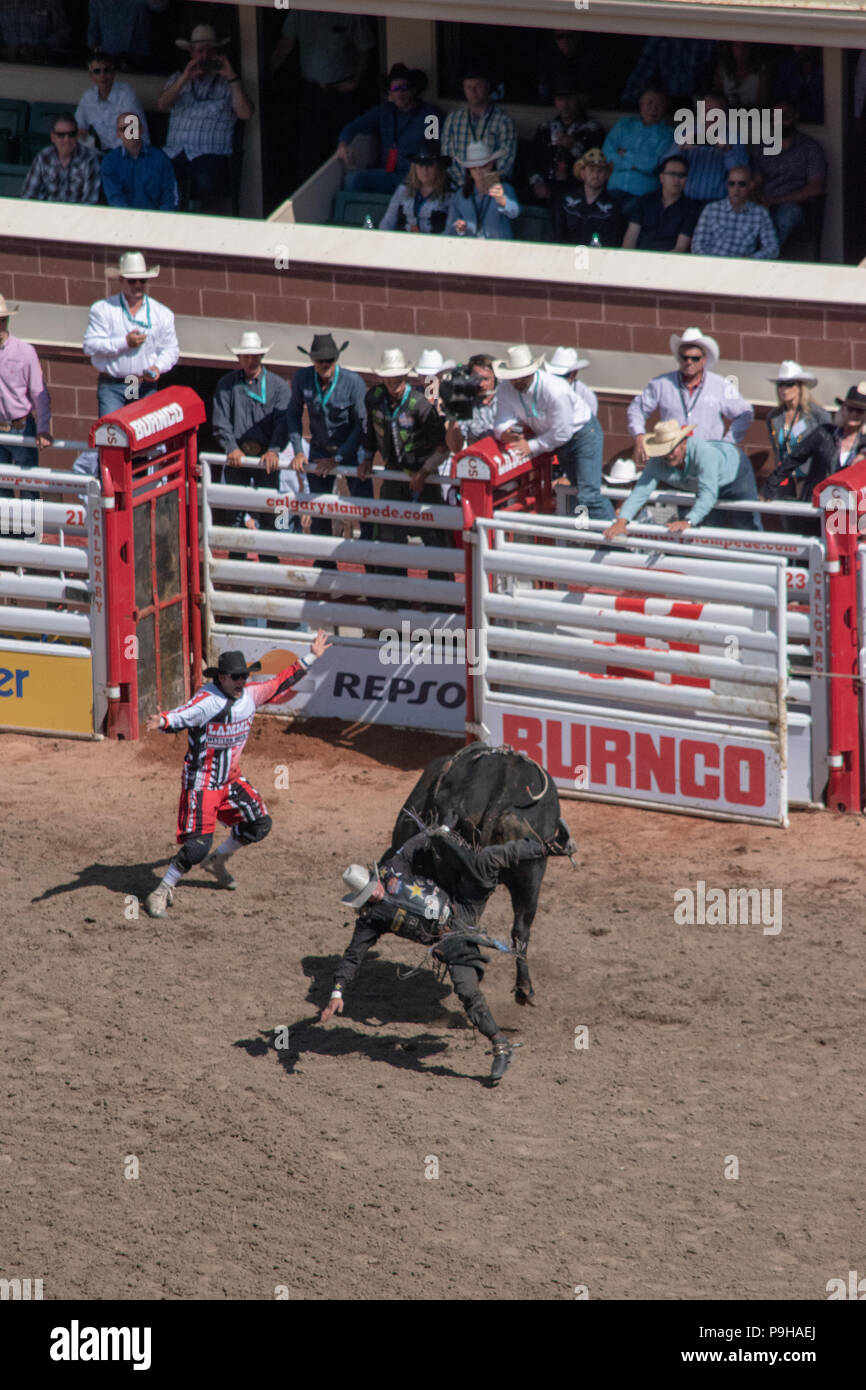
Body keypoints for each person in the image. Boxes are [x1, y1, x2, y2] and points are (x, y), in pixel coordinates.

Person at [322, 822, 556, 1083]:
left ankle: (546, 845)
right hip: (449, 939)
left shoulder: (393, 869)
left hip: (461, 903)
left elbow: (414, 845)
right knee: (467, 990)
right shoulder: (371, 921)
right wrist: (337, 991)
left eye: (372, 887)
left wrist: (438, 831)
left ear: (373, 877)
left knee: (487, 860)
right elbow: (353, 956)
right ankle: (500, 1043)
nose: (375, 893)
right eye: (368, 895)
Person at [141, 635, 330, 919]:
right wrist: (163, 721)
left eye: (245, 676)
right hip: (201, 783)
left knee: (260, 825)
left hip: (230, 781)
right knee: (195, 847)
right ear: (222, 678)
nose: (242, 681)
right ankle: (162, 889)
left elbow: (282, 681)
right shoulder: (207, 701)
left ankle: (218, 860)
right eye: (236, 677)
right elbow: (183, 715)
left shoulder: (251, 695)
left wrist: (312, 656)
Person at [358, 347, 449, 589]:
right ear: (383, 378)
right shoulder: (373, 398)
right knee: (389, 535)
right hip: (393, 476)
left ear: (406, 377)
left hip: (425, 478)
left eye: (398, 376)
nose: (394, 381)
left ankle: (441, 597)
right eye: (390, 376)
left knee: (434, 535)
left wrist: (424, 473)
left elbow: (443, 446)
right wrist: (367, 458)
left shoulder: (420, 405)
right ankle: (394, 594)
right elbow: (369, 433)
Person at [493, 343, 613, 521]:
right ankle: (596, 538)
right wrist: (506, 432)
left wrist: (531, 446)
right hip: (554, 438)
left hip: (581, 435)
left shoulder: (555, 390)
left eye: (520, 377)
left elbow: (563, 432)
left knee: (588, 494)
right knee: (579, 491)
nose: (516, 381)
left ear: (531, 372)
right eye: (512, 377)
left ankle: (617, 541)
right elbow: (502, 422)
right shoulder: (505, 389)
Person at [211, 329, 290, 563]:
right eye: (245, 355)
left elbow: (283, 421)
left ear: (261, 357)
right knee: (235, 511)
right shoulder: (226, 385)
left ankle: (270, 560)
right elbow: (220, 420)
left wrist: (274, 448)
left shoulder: (278, 386)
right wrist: (231, 447)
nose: (250, 360)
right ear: (239, 358)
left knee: (272, 509)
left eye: (254, 355)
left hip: (267, 456)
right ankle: (237, 562)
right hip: (238, 455)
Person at [285, 332, 369, 551]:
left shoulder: (353, 382)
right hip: (319, 447)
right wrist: (298, 450)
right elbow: (292, 414)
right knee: (317, 505)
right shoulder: (301, 378)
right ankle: (323, 557)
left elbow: (362, 425)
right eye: (320, 360)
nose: (325, 364)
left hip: (351, 450)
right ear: (312, 360)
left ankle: (371, 559)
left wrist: (338, 458)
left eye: (329, 360)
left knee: (364, 505)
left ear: (336, 359)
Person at [605, 419, 761, 536]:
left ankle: (761, 565)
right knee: (710, 527)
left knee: (746, 522)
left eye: (672, 449)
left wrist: (688, 521)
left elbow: (708, 493)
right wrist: (621, 521)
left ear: (684, 443)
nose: (669, 455)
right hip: (707, 484)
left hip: (735, 473)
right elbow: (641, 490)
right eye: (664, 450)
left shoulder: (704, 454)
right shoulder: (658, 461)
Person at [158, 24, 254, 213]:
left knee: (205, 180)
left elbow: (246, 113)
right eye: (200, 51)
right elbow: (162, 103)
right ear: (191, 53)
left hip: (209, 154)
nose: (204, 56)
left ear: (218, 53)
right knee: (152, 170)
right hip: (174, 152)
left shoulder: (229, 83)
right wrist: (185, 78)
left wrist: (232, 77)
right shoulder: (178, 78)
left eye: (210, 51)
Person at [269, 11, 375, 178]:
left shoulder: (349, 11)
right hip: (311, 92)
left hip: (340, 93)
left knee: (341, 146)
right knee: (308, 150)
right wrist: (267, 73)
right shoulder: (300, 10)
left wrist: (356, 81)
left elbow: (365, 49)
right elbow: (286, 42)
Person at [627, 328, 754, 467]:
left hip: (707, 461)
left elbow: (745, 413)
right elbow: (636, 409)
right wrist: (639, 435)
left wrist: (726, 445)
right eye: (684, 357)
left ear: (704, 360)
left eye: (695, 358)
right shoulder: (661, 384)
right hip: (671, 461)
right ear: (679, 358)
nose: (689, 362)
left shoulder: (720, 385)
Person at [83, 251, 179, 417]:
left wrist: (158, 367)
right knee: (112, 436)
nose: (137, 285)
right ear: (121, 280)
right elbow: (90, 346)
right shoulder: (103, 309)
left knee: (141, 437)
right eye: (132, 280)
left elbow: (170, 349)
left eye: (142, 280)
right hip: (112, 384)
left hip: (141, 384)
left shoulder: (162, 313)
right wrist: (124, 342)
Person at [336, 63, 441, 195]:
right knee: (353, 180)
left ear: (413, 90)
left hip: (415, 177)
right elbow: (353, 127)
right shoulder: (384, 111)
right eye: (395, 88)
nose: (400, 93)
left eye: (404, 87)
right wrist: (343, 143)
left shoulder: (429, 115)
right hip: (389, 174)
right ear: (390, 92)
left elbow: (433, 149)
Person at [751, 101, 827, 252]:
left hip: (796, 206)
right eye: (774, 117)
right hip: (765, 202)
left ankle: (764, 258)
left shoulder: (810, 148)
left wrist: (775, 201)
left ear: (795, 117)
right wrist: (755, 197)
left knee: (787, 214)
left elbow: (816, 188)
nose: (779, 122)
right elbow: (756, 180)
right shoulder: (764, 146)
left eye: (785, 116)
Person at [0, 295, 52, 497]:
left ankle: (29, 529)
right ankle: (5, 530)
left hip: (20, 426)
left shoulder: (25, 352)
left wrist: (43, 429)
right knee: (1, 491)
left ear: (7, 321)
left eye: (2, 320)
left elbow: (39, 392)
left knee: (28, 485)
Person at [761, 361, 829, 510]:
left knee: (809, 522)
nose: (784, 389)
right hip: (785, 478)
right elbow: (777, 450)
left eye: (789, 384)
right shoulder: (774, 416)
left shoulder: (817, 415)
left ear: (800, 387)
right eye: (780, 385)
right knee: (788, 521)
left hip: (809, 477)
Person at [660, 92, 750, 205]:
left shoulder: (734, 138)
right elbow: (664, 164)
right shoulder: (688, 131)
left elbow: (743, 175)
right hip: (684, 200)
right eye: (706, 111)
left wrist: (728, 151)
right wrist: (680, 148)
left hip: (717, 203)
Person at [782, 383, 866, 500]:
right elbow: (795, 457)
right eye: (850, 409)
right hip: (817, 503)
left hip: (849, 509)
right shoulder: (824, 433)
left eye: (860, 411)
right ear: (843, 409)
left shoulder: (863, 443)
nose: (854, 414)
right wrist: (770, 487)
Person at [441, 64, 517, 191]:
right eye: (468, 87)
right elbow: (448, 158)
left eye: (478, 86)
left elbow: (505, 165)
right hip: (458, 188)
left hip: (491, 189)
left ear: (487, 88)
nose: (472, 91)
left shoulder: (504, 121)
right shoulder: (453, 120)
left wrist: (481, 186)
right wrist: (463, 185)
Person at [526, 83, 604, 204]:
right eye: (560, 99)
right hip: (546, 186)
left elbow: (596, 167)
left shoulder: (592, 129)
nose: (565, 104)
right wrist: (537, 184)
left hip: (576, 189)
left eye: (570, 99)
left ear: (578, 99)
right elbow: (532, 161)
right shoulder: (545, 128)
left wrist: (574, 146)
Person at [691, 166, 779, 259]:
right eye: (731, 184)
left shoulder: (760, 213)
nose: (736, 189)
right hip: (711, 265)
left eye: (742, 184)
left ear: (751, 185)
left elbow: (772, 248)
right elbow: (697, 245)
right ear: (727, 185)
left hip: (742, 268)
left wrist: (750, 260)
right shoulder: (711, 209)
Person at [602, 87, 674, 201]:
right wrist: (638, 165)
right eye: (649, 103)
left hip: (643, 196)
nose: (653, 108)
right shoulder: (624, 124)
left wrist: (625, 153)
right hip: (613, 190)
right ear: (641, 104)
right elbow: (607, 155)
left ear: (666, 107)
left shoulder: (668, 134)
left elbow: (654, 165)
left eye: (659, 104)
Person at [622, 154, 701, 253]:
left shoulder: (691, 209)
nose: (677, 180)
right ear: (662, 177)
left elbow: (681, 248)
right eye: (672, 174)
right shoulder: (644, 201)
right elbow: (631, 237)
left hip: (670, 263)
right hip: (639, 259)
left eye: (682, 175)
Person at [551, 147, 629, 247]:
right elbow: (556, 237)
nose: (596, 175)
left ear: (606, 175)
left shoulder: (614, 208)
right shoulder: (565, 202)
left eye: (600, 171)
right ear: (582, 173)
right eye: (591, 170)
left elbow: (612, 243)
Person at [101, 112, 178, 210]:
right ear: (118, 134)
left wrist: (160, 220)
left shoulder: (161, 159)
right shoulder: (109, 162)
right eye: (124, 129)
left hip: (156, 220)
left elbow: (170, 197)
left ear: (142, 129)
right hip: (123, 219)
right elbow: (114, 199)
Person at [75, 52, 149, 153]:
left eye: (107, 70)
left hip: (135, 151)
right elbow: (80, 128)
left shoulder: (126, 94)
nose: (103, 75)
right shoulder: (88, 97)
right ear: (91, 76)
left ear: (113, 73)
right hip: (107, 154)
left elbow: (131, 136)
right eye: (97, 71)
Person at [446, 140, 519, 240]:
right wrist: (459, 228)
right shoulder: (460, 195)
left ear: (491, 165)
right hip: (470, 250)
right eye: (473, 168)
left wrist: (503, 201)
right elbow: (449, 229)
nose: (478, 171)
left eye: (483, 166)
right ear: (469, 170)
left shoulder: (504, 188)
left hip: (499, 250)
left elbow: (515, 213)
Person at [22, 114, 101, 204]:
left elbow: (90, 201)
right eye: (61, 135)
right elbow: (28, 195)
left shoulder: (89, 159)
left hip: (78, 215)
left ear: (77, 136)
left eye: (71, 134)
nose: (67, 139)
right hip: (46, 214)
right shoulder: (43, 157)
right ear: (52, 137)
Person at [622, 37, 717, 108]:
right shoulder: (661, 38)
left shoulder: (707, 38)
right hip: (665, 103)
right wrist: (628, 101)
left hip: (697, 103)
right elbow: (642, 73)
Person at [379, 145, 452, 233]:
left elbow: (450, 231)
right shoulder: (403, 190)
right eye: (421, 165)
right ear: (414, 167)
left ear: (438, 167)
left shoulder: (450, 195)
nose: (425, 170)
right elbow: (387, 223)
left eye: (430, 165)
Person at [87, 0, 168, 70]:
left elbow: (159, 6)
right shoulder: (97, 2)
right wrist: (95, 50)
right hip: (109, 56)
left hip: (138, 55)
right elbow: (93, 28)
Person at [444, 353, 499, 455]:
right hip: (479, 462)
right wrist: (452, 418)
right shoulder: (466, 403)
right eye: (476, 379)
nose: (481, 384)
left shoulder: (505, 397)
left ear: (495, 379)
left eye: (485, 379)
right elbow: (455, 448)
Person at [712, 41, 770, 109]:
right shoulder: (722, 69)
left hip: (753, 117)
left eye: (745, 46)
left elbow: (763, 104)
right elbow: (716, 98)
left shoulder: (761, 71)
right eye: (737, 46)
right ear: (731, 47)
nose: (741, 51)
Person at [544, 346, 598, 416]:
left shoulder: (586, 396)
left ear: (573, 374)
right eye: (554, 376)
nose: (557, 380)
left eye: (562, 376)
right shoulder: (544, 389)